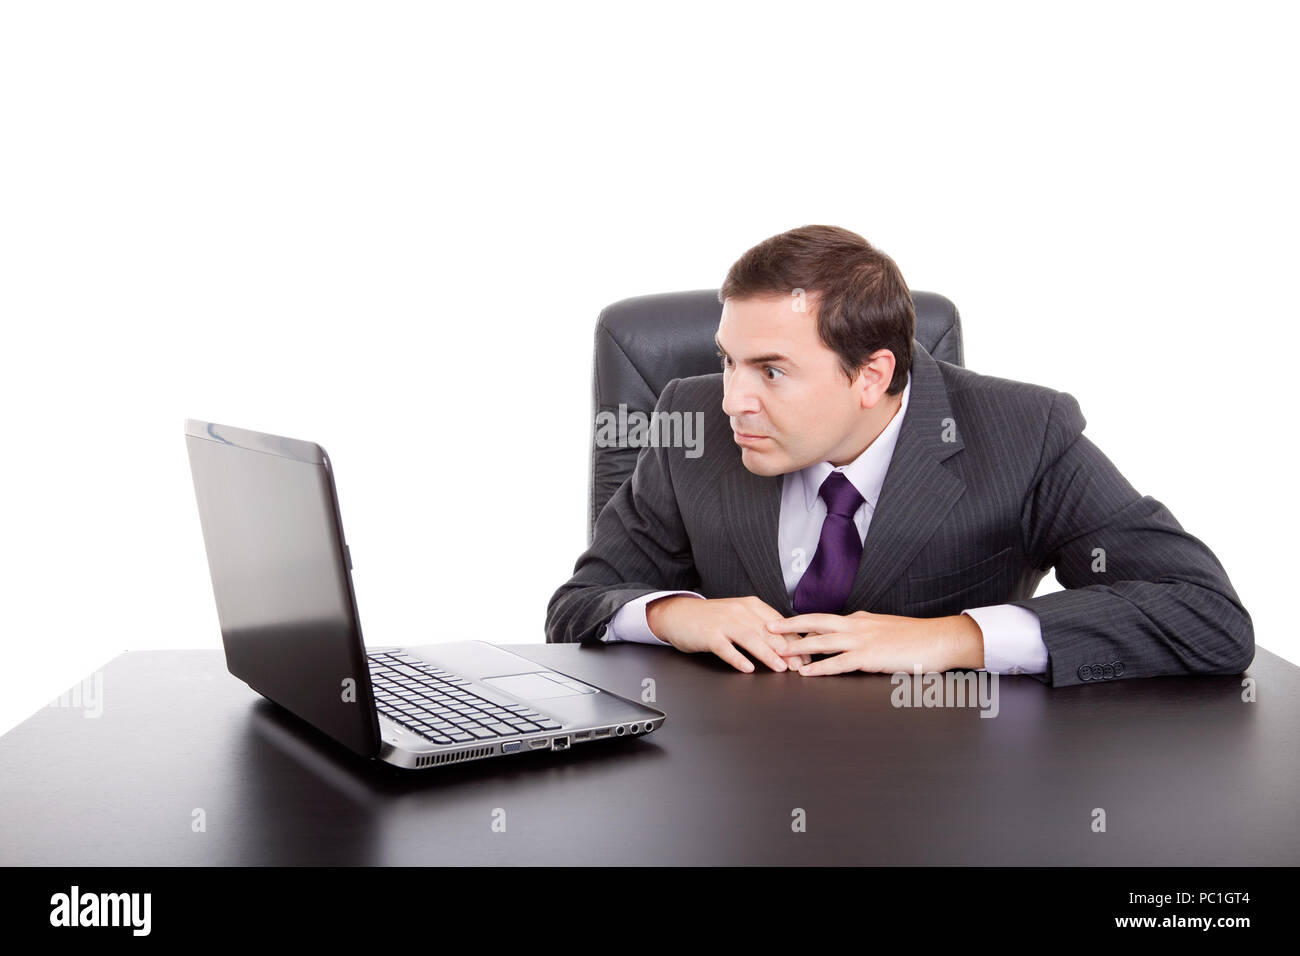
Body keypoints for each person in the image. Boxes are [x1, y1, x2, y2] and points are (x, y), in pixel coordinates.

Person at [545, 225, 1253, 687]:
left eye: (771, 370)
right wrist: (676, 615)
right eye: (728, 361)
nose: (733, 400)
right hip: (729, 788)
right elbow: (579, 605)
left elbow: (1203, 613)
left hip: (944, 785)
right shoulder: (690, 421)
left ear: (872, 376)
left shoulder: (1025, 432)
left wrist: (956, 638)